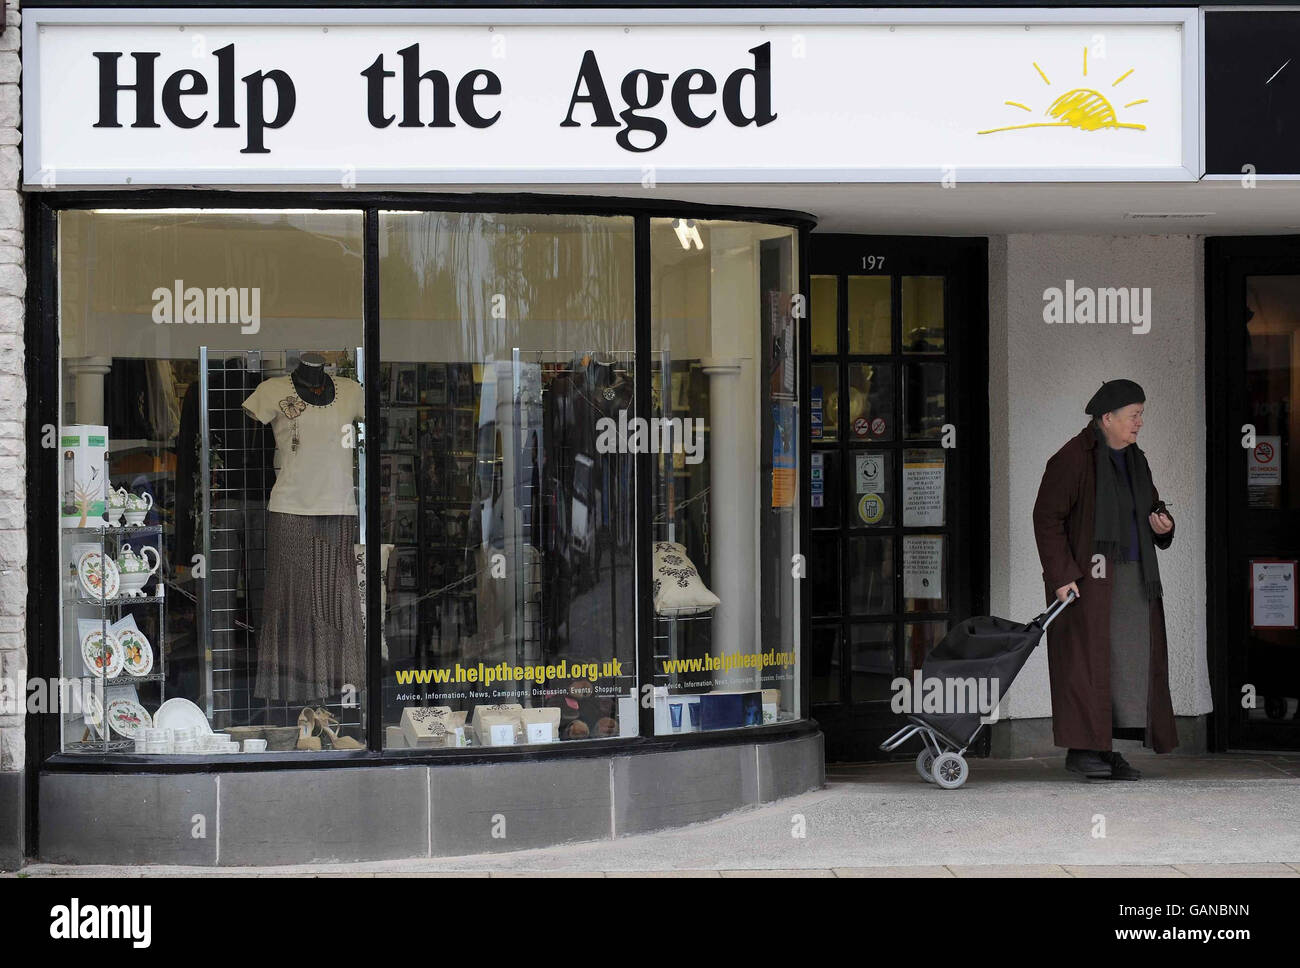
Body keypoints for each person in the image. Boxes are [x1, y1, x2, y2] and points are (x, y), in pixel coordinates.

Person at [1032, 379, 1177, 779]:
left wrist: (1163, 526)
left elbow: (1150, 507)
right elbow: (1047, 518)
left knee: (1126, 665)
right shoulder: (1073, 458)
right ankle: (1083, 752)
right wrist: (1061, 576)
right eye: (1134, 415)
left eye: (1141, 414)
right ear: (1107, 418)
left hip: (1133, 579)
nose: (1140, 423)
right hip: (1086, 582)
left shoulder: (1136, 459)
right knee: (1087, 664)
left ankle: (1105, 749)